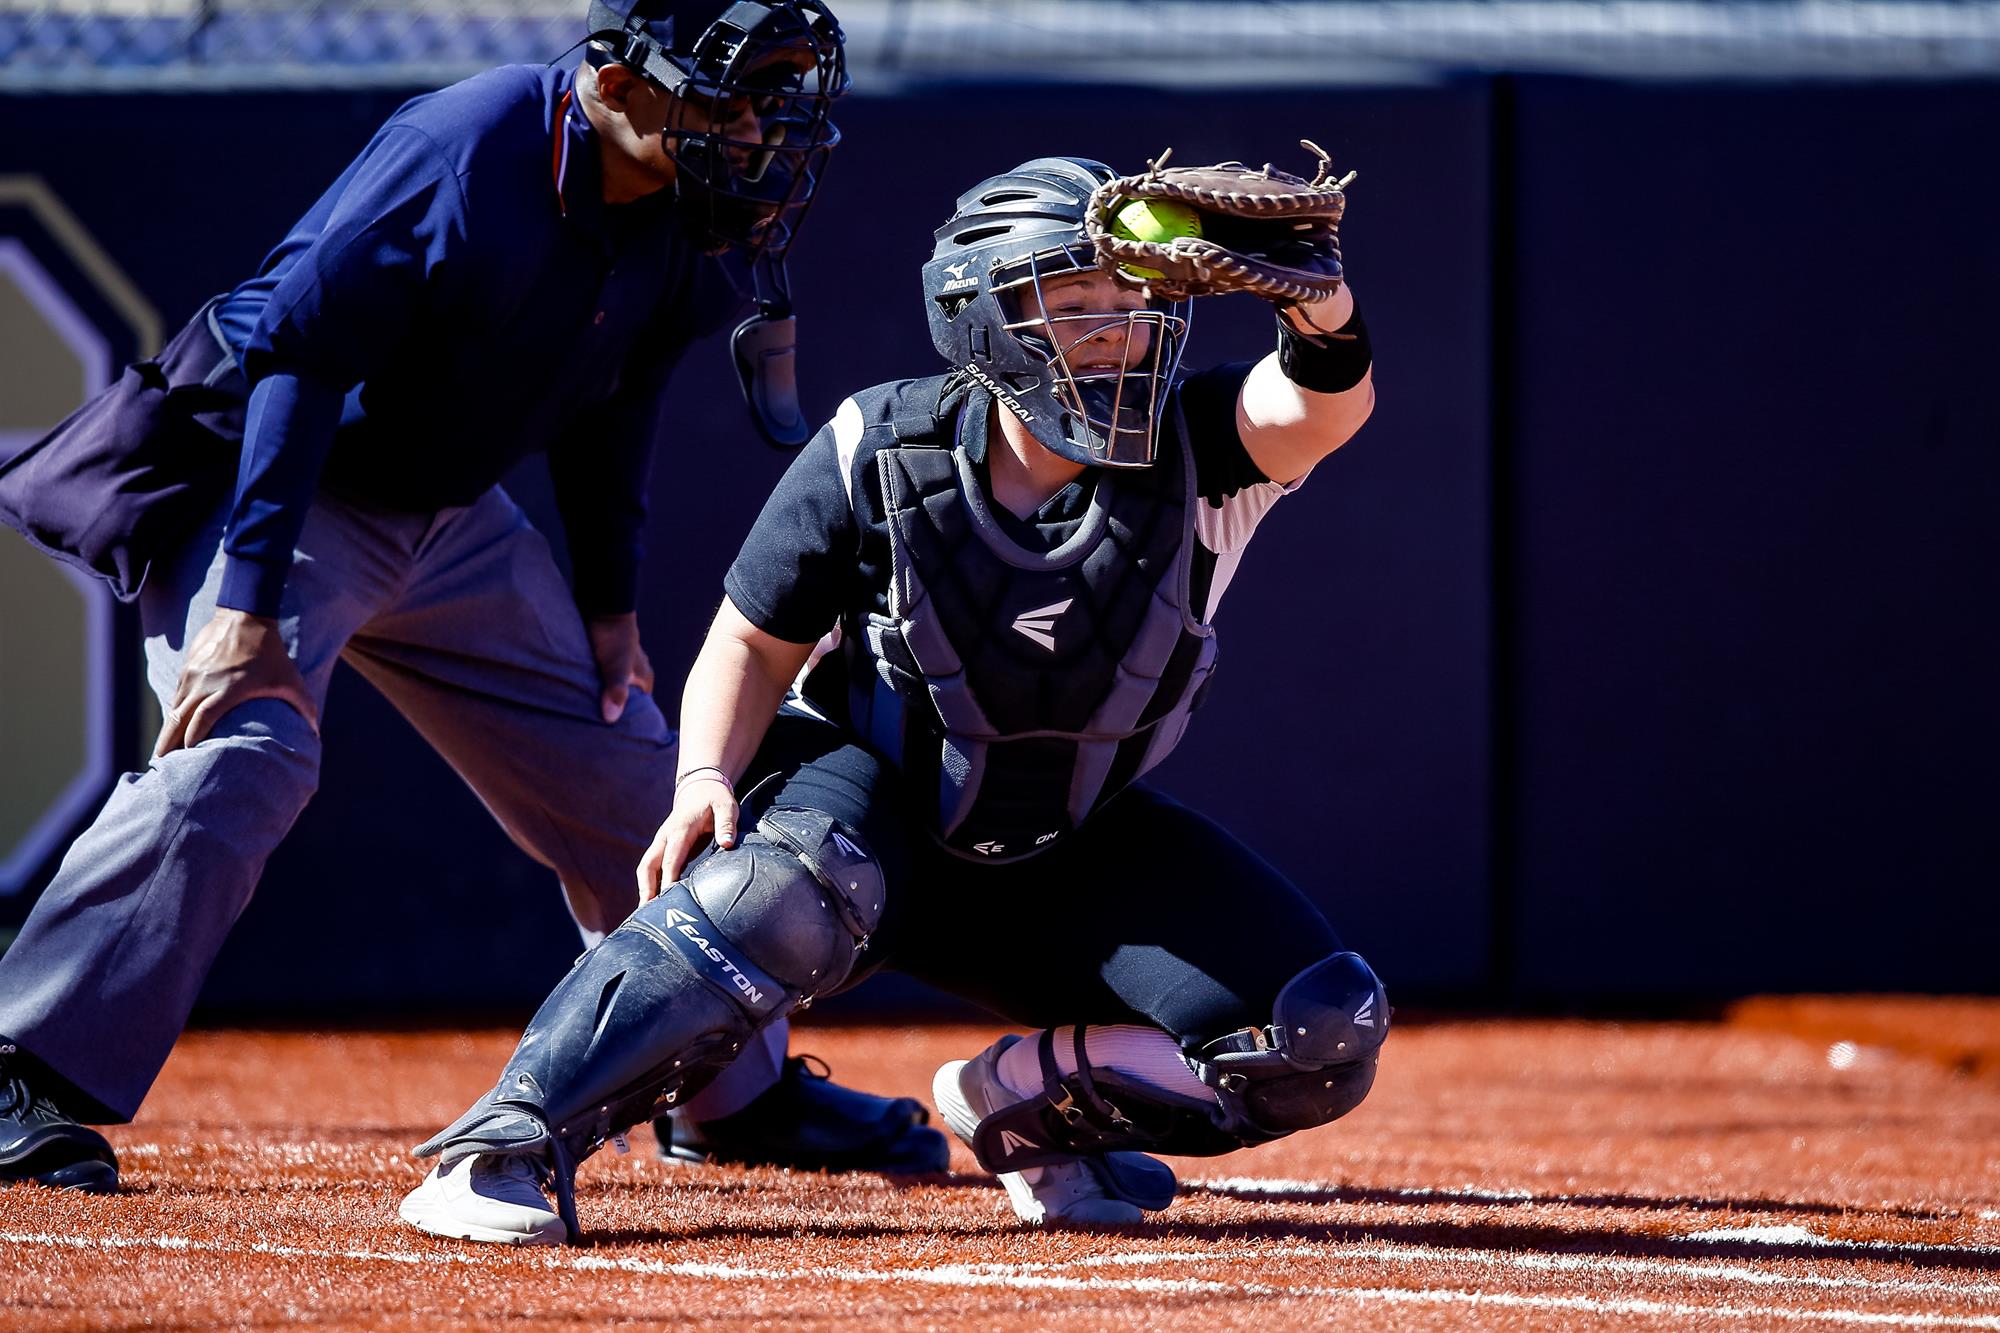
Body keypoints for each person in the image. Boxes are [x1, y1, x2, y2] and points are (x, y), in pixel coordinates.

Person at [0, 0, 946, 1198]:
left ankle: (727, 1094)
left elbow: (617, 404)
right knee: (245, 747)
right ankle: (17, 1061)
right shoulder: (474, 140)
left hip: (447, 514)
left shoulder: (677, 203)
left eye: (777, 92)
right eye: (737, 90)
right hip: (276, 482)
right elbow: (300, 351)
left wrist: (608, 615)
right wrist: (242, 601)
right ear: (620, 78)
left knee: (632, 779)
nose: (760, 125)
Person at [399, 154, 1383, 1245]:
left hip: (1064, 847)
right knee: (774, 894)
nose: (1114, 329)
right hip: (865, 812)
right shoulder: (880, 444)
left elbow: (1316, 406)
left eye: (1130, 300)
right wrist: (703, 779)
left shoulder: (1197, 445)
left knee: (1320, 1031)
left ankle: (1025, 1110)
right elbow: (749, 638)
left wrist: (1320, 306)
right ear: (983, 321)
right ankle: (505, 1141)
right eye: (1071, 301)